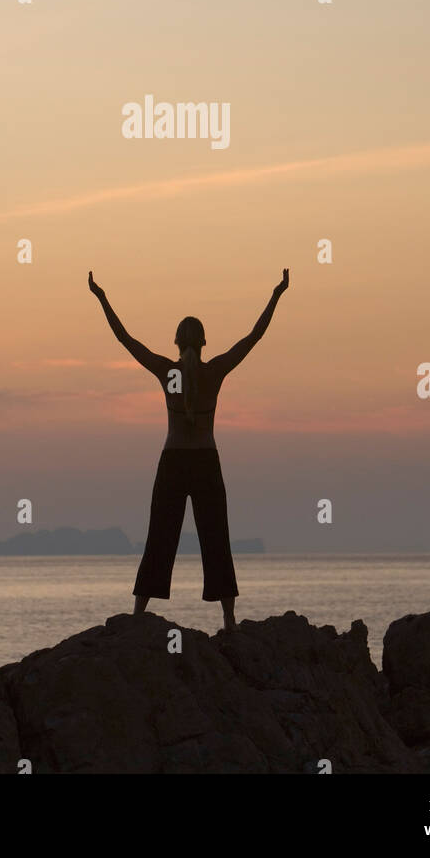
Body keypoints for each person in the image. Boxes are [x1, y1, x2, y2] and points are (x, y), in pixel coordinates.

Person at [88, 268, 289, 630]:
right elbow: (253, 337)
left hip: (174, 462)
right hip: (206, 463)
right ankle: (228, 619)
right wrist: (276, 295)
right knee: (216, 538)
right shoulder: (215, 372)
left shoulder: (168, 373)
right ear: (204, 342)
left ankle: (138, 614)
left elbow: (125, 339)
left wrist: (102, 297)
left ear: (177, 343)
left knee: (160, 536)